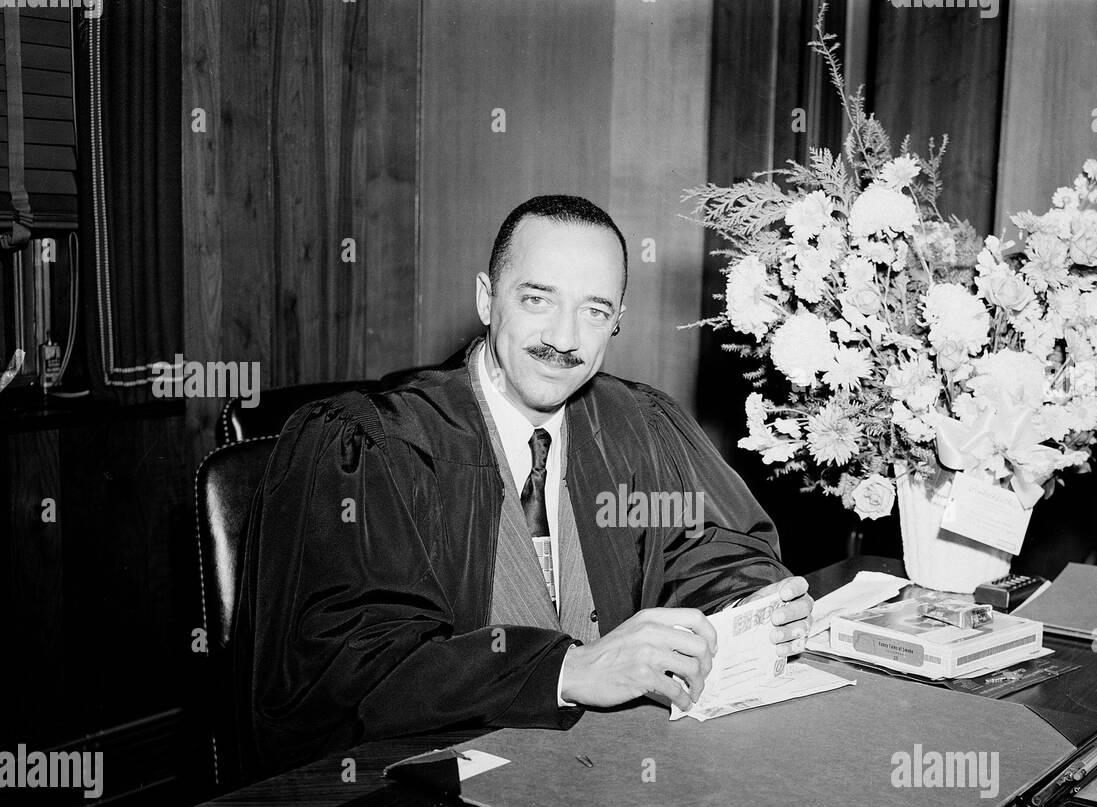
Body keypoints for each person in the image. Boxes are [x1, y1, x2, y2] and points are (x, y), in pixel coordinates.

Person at [233, 195, 813, 776]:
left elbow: (704, 547)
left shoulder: (637, 428)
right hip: (430, 790)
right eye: (537, 299)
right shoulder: (376, 449)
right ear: (487, 299)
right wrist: (567, 671)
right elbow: (348, 665)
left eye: (593, 310)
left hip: (610, 770)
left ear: (618, 320)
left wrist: (749, 602)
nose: (563, 339)